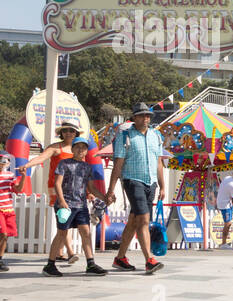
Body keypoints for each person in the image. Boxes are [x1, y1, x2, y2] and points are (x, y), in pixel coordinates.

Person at [107, 103, 165, 274]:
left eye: (148, 116)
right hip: (133, 181)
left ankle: (120, 258)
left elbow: (159, 163)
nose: (145, 118)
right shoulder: (125, 136)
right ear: (134, 118)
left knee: (134, 221)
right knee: (144, 221)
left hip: (151, 182)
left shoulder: (156, 136)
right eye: (141, 115)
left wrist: (162, 186)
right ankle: (149, 260)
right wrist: (111, 189)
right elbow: (118, 164)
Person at [45, 137, 109, 277]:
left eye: (84, 148)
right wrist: (61, 201)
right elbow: (57, 183)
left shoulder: (87, 167)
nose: (81, 150)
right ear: (72, 149)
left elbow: (91, 187)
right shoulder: (64, 163)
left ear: (87, 151)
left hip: (81, 205)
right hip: (65, 204)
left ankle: (90, 263)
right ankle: (50, 265)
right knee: (62, 233)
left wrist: (104, 197)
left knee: (86, 232)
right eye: (77, 147)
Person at [25, 121, 84, 265]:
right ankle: (70, 252)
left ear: (76, 133)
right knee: (64, 218)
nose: (68, 133)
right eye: (65, 131)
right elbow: (41, 158)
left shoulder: (80, 148)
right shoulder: (55, 147)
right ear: (61, 133)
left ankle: (59, 252)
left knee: (66, 222)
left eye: (71, 130)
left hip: (74, 190)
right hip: (57, 188)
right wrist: (27, 165)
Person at [216, 169, 233, 248]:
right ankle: (223, 243)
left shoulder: (227, 178)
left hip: (223, 201)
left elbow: (225, 189)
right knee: (227, 224)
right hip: (225, 205)